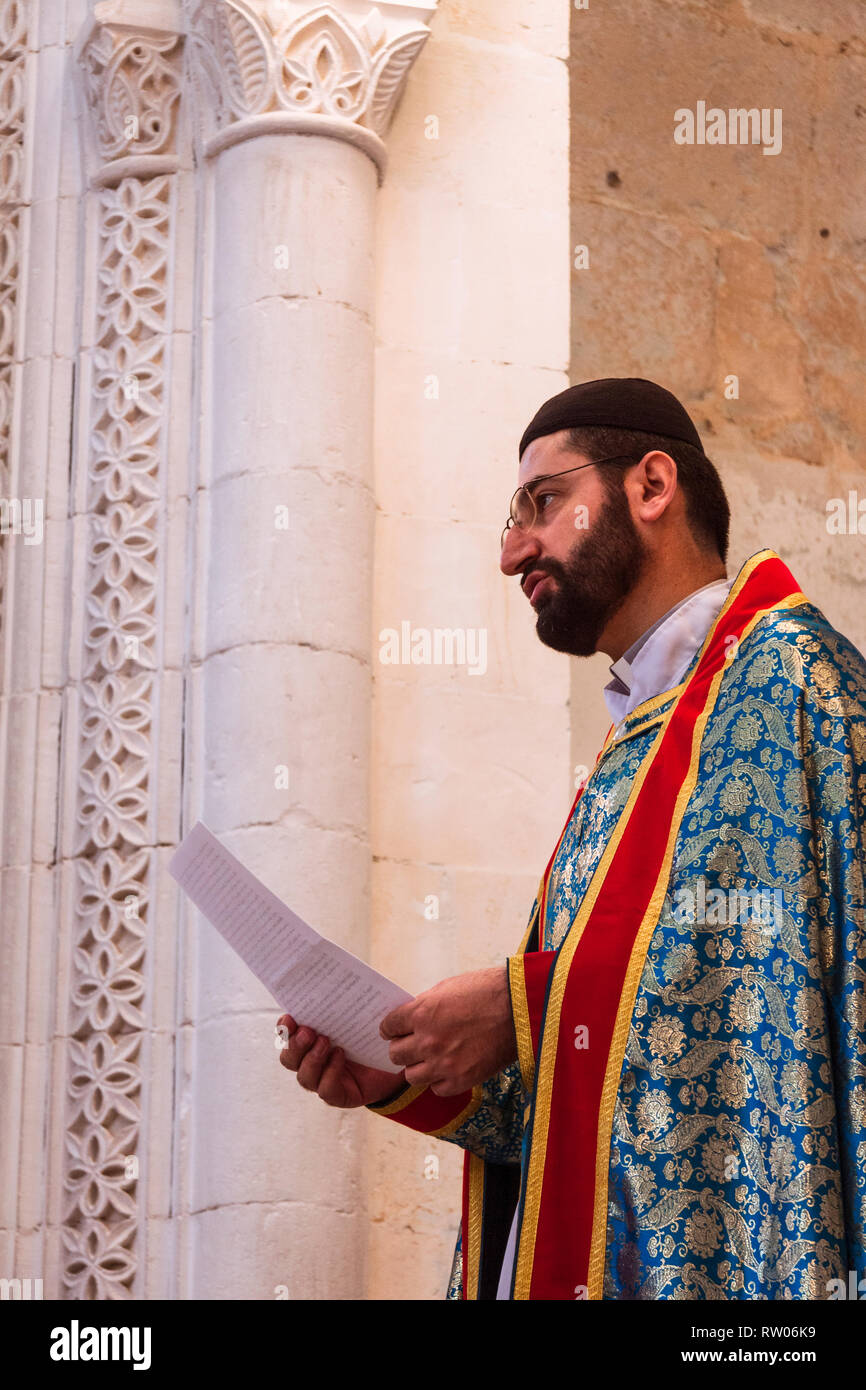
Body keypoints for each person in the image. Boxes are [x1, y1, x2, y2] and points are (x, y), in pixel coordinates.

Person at [277, 377, 866, 1301]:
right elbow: (596, 1101)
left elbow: (774, 1004)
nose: (513, 550)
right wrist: (403, 1070)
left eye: (542, 503)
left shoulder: (796, 687)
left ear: (651, 486)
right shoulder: (630, 751)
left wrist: (521, 1007)